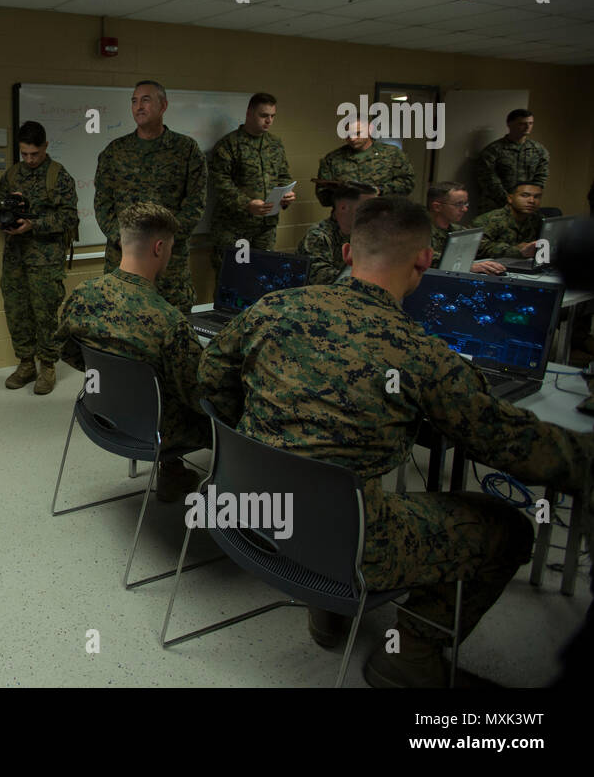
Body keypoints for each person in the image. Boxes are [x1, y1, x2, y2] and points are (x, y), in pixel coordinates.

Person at [199, 196, 592, 687]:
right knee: (510, 529)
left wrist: (263, 445)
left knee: (331, 483)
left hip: (247, 505)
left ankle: (325, 607)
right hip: (347, 540)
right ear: (426, 259)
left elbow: (213, 377)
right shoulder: (425, 354)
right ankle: (408, 654)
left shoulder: (272, 307)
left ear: (346, 253)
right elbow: (509, 444)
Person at [55, 203, 206, 501]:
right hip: (153, 430)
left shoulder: (84, 294)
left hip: (99, 413)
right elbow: (200, 397)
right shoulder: (170, 322)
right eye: (172, 247)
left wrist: (116, 380)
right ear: (159, 248)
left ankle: (173, 474)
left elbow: (69, 352)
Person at [94, 80, 206, 315]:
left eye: (146, 100)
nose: (138, 106)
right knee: (120, 324)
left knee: (171, 328)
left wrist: (166, 239)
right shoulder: (115, 152)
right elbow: (103, 203)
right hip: (123, 260)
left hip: (168, 264)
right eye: (134, 101)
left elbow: (195, 204)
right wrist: (124, 239)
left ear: (163, 106)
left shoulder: (186, 150)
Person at [0, 121, 78, 395]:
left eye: (34, 154)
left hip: (45, 258)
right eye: (24, 154)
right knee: (17, 312)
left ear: (45, 147)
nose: (29, 159)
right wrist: (7, 206)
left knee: (44, 315)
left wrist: (35, 224)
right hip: (15, 256)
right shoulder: (12, 175)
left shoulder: (58, 176)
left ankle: (48, 366)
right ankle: (26, 363)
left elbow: (69, 217)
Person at [207, 92, 295, 276]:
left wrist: (287, 195)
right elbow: (220, 182)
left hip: (265, 228)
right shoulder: (230, 145)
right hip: (235, 229)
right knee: (234, 279)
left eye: (272, 116)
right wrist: (246, 204)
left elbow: (284, 175)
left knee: (260, 278)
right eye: (263, 115)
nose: (269, 121)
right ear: (249, 113)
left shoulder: (275, 144)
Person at [297, 182, 377, 284]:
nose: (374, 214)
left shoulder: (367, 234)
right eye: (367, 209)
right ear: (343, 208)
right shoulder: (319, 235)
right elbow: (317, 275)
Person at [476, 109, 548, 214]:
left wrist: (528, 199)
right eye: (522, 124)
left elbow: (541, 176)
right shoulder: (494, 150)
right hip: (495, 207)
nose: (528, 127)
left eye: (530, 123)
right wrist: (509, 200)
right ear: (509, 124)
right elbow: (488, 179)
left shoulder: (538, 150)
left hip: (525, 206)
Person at [317, 119, 414, 197]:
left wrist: (378, 191)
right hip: (347, 215)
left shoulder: (392, 153)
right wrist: (342, 192)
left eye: (358, 133)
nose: (352, 139)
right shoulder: (332, 159)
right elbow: (323, 196)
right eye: (347, 135)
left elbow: (407, 183)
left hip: (383, 214)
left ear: (370, 129)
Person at [425, 180, 504, 275]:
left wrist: (520, 251)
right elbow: (425, 256)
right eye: (458, 204)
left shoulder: (458, 230)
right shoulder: (416, 229)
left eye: (466, 204)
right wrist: (465, 265)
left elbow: (484, 247)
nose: (465, 209)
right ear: (437, 207)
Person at [477, 181, 544, 259]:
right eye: (525, 195)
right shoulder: (489, 220)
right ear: (510, 198)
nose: (532, 201)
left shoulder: (538, 219)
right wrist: (517, 250)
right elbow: (480, 248)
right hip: (493, 265)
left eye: (536, 197)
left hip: (524, 262)